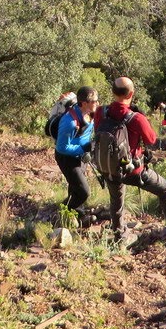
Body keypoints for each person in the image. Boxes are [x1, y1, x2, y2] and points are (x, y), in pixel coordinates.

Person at [94, 77, 166, 244]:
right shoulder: (136, 118)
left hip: (108, 167)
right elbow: (151, 139)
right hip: (133, 170)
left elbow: (98, 132)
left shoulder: (101, 111)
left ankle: (120, 236)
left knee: (116, 200)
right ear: (131, 94)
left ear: (113, 92)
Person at [54, 86, 98, 227]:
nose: (97, 103)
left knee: (75, 187)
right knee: (84, 192)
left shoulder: (91, 113)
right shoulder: (69, 122)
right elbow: (62, 147)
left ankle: (75, 215)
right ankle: (62, 214)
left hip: (81, 156)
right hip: (67, 159)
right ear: (84, 103)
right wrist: (84, 148)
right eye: (94, 101)